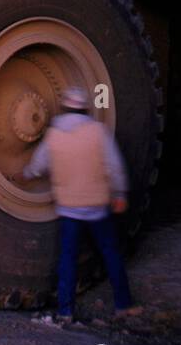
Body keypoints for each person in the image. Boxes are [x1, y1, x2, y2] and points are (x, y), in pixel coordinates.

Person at [22, 85, 138, 325]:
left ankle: (65, 311)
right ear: (85, 109)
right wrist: (119, 194)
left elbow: (38, 165)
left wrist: (26, 173)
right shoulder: (98, 132)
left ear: (65, 108)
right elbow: (114, 166)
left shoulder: (54, 134)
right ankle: (123, 305)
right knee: (110, 253)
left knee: (67, 258)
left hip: (69, 208)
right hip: (96, 207)